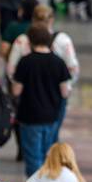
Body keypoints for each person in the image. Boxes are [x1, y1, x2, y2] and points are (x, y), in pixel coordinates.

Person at [11, 26, 73, 174]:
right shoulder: (58, 62)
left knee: (33, 158)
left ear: (30, 42)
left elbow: (16, 90)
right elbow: (65, 92)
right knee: (48, 155)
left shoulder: (25, 62)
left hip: (29, 116)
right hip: (52, 116)